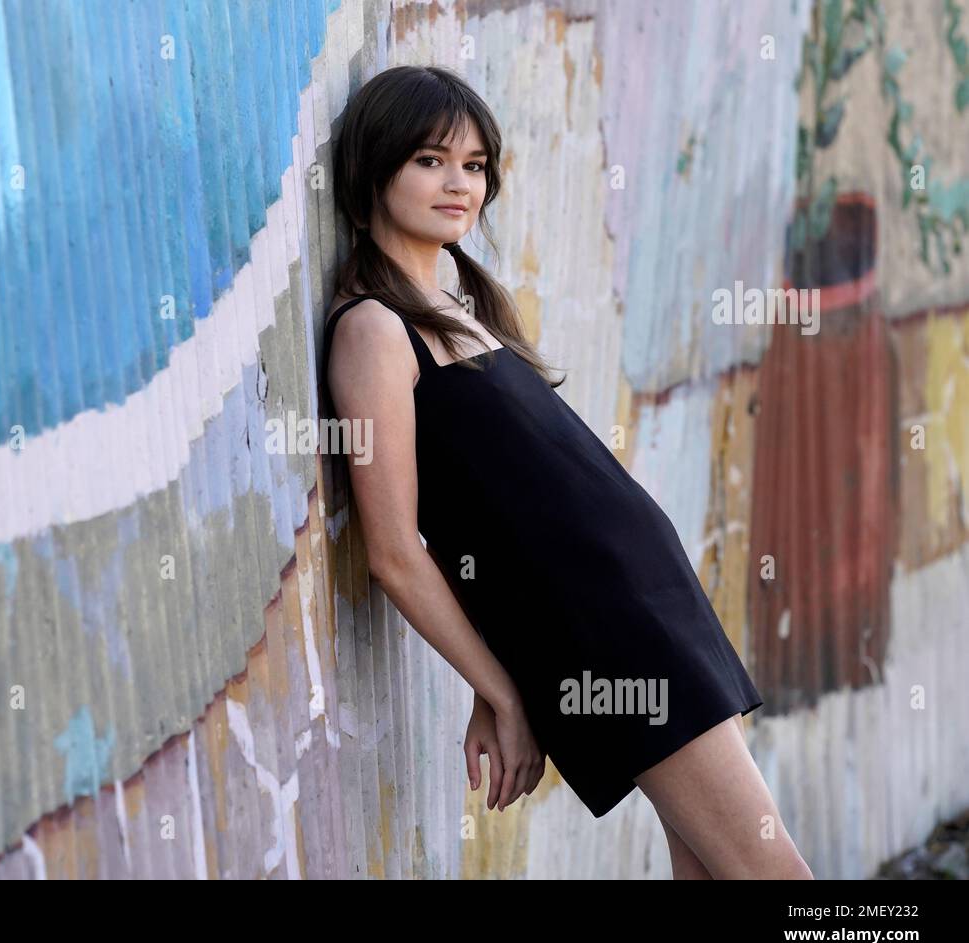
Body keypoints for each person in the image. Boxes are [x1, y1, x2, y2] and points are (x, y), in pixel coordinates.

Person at [320, 65, 812, 880]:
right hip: (608, 634)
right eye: (431, 160)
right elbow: (397, 551)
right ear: (375, 167)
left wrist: (496, 679)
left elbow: (495, 517)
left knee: (712, 870)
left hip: (650, 604)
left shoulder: (463, 309)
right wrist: (506, 690)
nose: (459, 184)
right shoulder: (372, 330)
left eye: (475, 166)